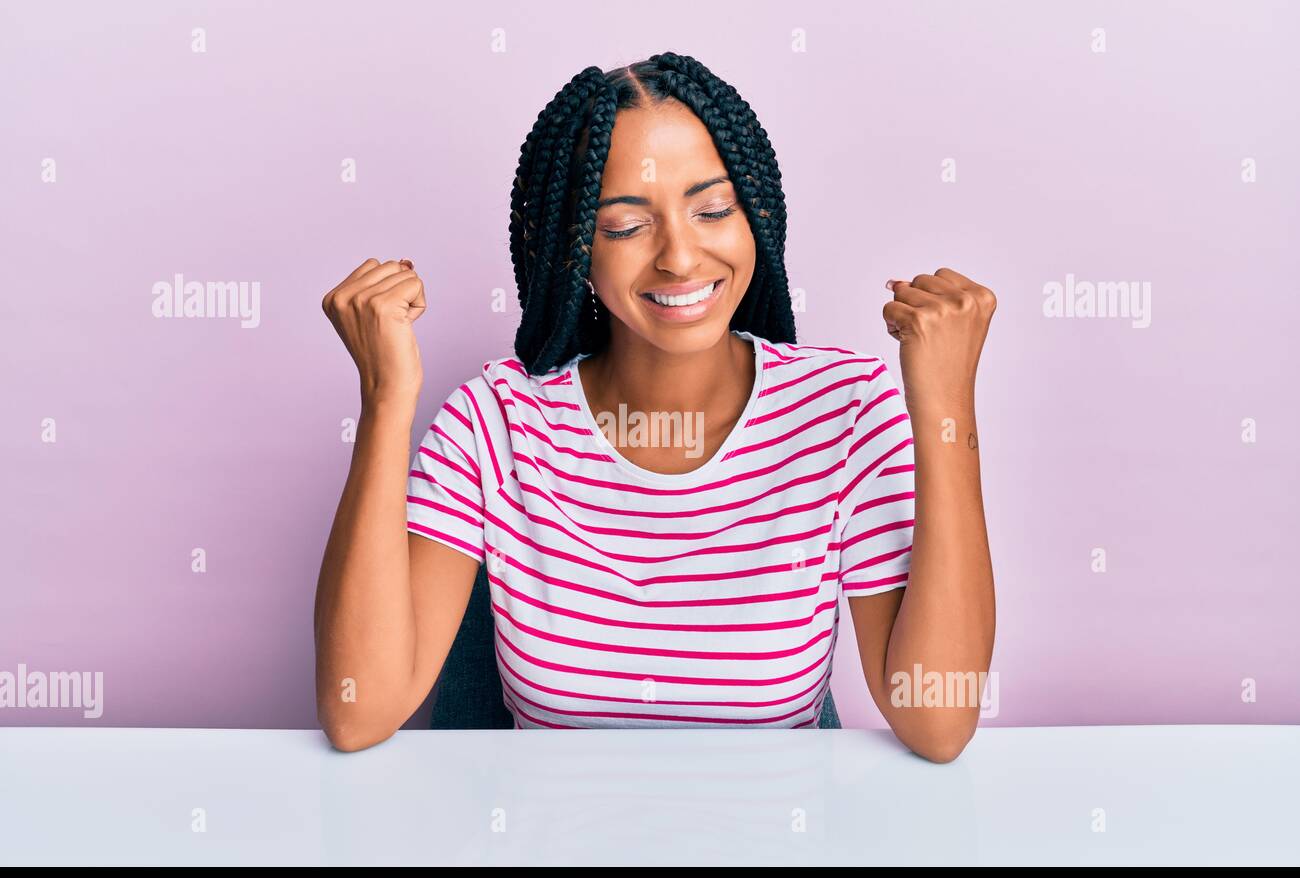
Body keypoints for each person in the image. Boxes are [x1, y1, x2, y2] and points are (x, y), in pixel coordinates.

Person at [315, 52, 995, 758]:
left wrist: (947, 406)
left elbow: (938, 723)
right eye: (625, 226)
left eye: (711, 209)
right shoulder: (495, 425)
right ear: (575, 249)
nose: (679, 257)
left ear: (754, 213)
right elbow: (357, 712)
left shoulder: (843, 415)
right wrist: (386, 398)